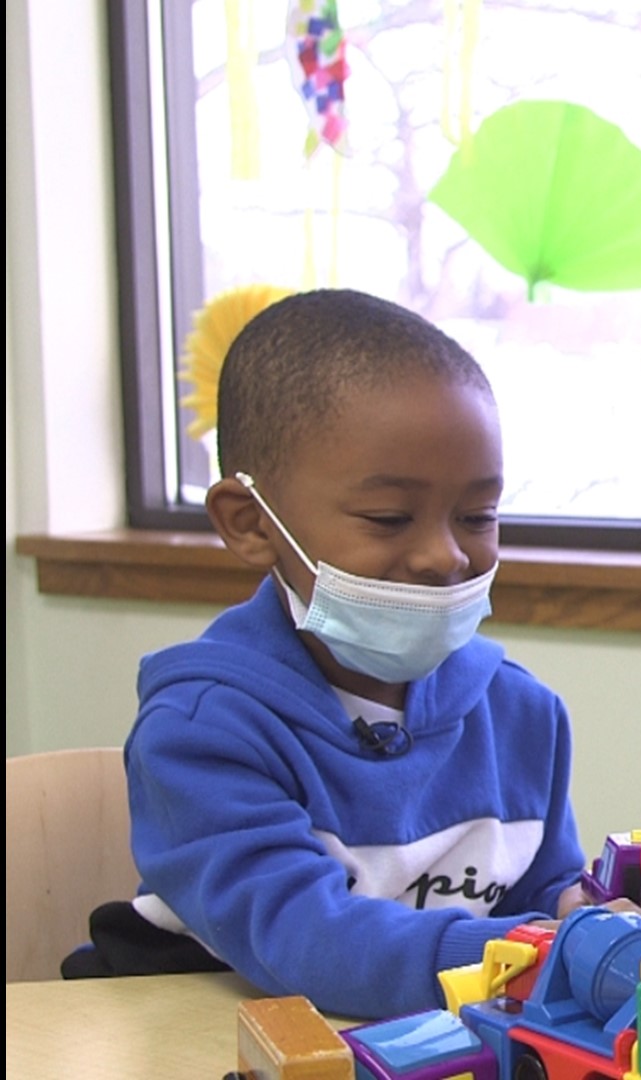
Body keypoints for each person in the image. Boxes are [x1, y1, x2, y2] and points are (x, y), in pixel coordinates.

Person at [62, 289, 611, 1019]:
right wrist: (546, 954)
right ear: (251, 523)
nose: (445, 555)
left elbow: (542, 899)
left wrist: (604, 918)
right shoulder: (202, 730)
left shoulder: (522, 715)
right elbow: (305, 941)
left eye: (476, 516)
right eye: (389, 518)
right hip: (199, 1040)